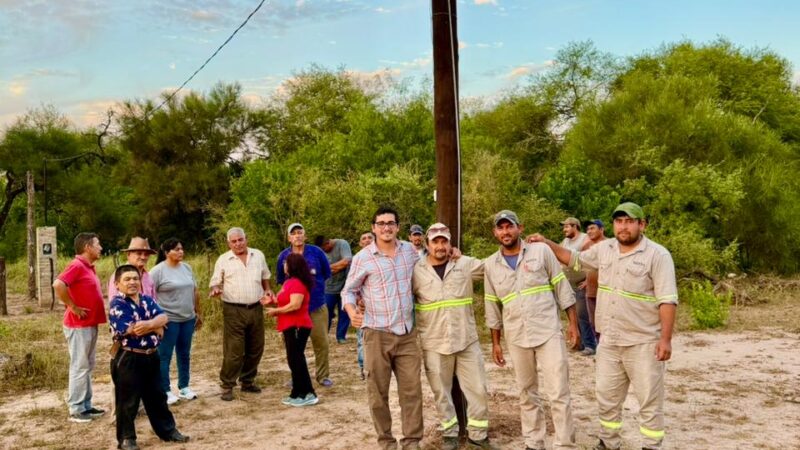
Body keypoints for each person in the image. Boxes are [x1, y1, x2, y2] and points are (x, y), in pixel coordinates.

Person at [530, 203, 678, 450]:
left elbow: (667, 300)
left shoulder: (657, 255)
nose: (623, 227)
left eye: (629, 221)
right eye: (619, 221)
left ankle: (651, 445)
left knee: (649, 401)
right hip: (608, 340)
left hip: (642, 342)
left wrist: (665, 339)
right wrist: (547, 243)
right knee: (607, 397)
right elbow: (574, 260)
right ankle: (609, 443)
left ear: (642, 224)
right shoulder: (604, 249)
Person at [484, 210, 579, 450]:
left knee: (558, 391)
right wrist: (496, 343)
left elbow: (561, 286)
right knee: (526, 392)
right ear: (495, 232)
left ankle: (564, 444)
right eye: (501, 228)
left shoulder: (541, 251)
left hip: (548, 332)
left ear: (520, 228)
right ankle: (534, 442)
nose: (506, 232)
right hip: (517, 335)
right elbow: (492, 305)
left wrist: (573, 325)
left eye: (510, 226)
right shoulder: (491, 265)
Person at [343, 207, 424, 450]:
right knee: (378, 394)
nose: (386, 227)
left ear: (398, 227)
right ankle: (386, 442)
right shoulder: (363, 258)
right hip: (376, 334)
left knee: (412, 392)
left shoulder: (410, 251)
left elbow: (431, 262)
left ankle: (412, 442)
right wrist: (352, 313)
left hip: (406, 334)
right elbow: (348, 291)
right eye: (381, 223)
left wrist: (452, 251)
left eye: (390, 223)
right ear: (373, 228)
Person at [412, 223, 495, 450]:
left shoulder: (464, 264)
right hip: (434, 342)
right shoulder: (416, 270)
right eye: (435, 242)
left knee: (478, 390)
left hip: (466, 340)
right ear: (427, 244)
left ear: (450, 243)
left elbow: (495, 266)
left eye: (444, 241)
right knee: (441, 393)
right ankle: (450, 435)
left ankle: (478, 437)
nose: (440, 246)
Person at [109, 264, 189, 450]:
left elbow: (164, 318)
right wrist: (155, 326)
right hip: (129, 357)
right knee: (127, 401)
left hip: (151, 355)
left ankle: (168, 431)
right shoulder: (117, 304)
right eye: (127, 279)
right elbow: (132, 329)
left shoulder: (147, 299)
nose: (132, 282)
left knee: (157, 396)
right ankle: (127, 439)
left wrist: (151, 324)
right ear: (117, 284)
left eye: (135, 278)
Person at [209, 227, 275, 401]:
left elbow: (265, 276)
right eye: (234, 241)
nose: (238, 244)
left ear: (246, 239)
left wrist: (268, 290)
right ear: (228, 243)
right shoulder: (223, 259)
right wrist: (215, 289)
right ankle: (227, 385)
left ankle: (247, 381)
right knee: (234, 350)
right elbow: (215, 282)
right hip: (233, 310)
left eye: (240, 240)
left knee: (256, 347)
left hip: (256, 307)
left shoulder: (258, 255)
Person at [53, 232, 108, 423]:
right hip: (78, 325)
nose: (101, 248)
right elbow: (58, 284)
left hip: (89, 324)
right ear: (87, 247)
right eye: (98, 244)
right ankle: (76, 409)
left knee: (87, 366)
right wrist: (73, 306)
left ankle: (85, 405)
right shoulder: (77, 265)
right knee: (80, 366)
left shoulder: (88, 267)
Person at [277, 223, 333, 387]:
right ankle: (297, 376)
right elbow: (281, 280)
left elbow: (326, 273)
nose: (297, 235)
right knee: (293, 346)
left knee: (321, 342)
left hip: (316, 306)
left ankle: (322, 376)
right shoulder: (283, 256)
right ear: (289, 238)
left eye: (300, 232)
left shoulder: (317, 252)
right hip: (293, 309)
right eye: (294, 233)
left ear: (305, 235)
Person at [150, 238, 203, 404]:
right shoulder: (157, 271)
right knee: (164, 356)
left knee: (184, 353)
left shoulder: (187, 268)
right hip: (169, 320)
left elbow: (195, 291)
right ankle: (165, 390)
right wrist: (157, 319)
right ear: (167, 252)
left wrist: (198, 312)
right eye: (176, 249)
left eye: (181, 248)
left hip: (187, 318)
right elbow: (150, 296)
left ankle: (184, 387)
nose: (181, 252)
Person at [265, 253, 319, 407]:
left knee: (296, 359)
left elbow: (295, 304)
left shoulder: (296, 283)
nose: (284, 265)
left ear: (292, 265)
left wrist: (276, 311)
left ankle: (308, 393)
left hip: (297, 325)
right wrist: (272, 301)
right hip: (289, 325)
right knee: (293, 359)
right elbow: (285, 301)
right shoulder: (288, 282)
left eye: (286, 263)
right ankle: (296, 392)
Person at [560, 217, 598, 356]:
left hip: (581, 283)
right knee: (574, 315)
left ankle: (590, 345)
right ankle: (580, 343)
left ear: (575, 226)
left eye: (566, 226)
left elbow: (594, 260)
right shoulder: (565, 241)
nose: (564, 229)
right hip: (569, 284)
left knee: (584, 315)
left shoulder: (585, 239)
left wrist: (588, 280)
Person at [314, 235, 353, 344]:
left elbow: (347, 261)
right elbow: (319, 270)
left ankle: (341, 336)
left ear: (328, 242)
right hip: (328, 287)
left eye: (324, 248)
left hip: (345, 286)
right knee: (326, 312)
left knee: (344, 312)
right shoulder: (320, 252)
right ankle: (323, 336)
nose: (323, 251)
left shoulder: (342, 244)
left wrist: (328, 268)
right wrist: (337, 267)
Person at [107, 237, 157, 301]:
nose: (143, 257)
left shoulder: (148, 277)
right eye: (139, 253)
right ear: (128, 255)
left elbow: (154, 301)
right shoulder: (119, 275)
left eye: (146, 254)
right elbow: (113, 302)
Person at [581, 219, 607, 340]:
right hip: (591, 291)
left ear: (601, 229)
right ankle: (599, 347)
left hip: (606, 291)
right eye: (587, 229)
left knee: (607, 322)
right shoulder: (586, 246)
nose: (589, 231)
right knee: (593, 322)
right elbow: (581, 264)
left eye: (592, 228)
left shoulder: (610, 245)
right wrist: (586, 280)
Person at [355, 231, 375, 380]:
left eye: (370, 237)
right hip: (362, 306)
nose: (367, 240)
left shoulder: (383, 257)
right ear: (360, 243)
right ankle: (363, 367)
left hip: (378, 307)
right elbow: (350, 286)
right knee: (362, 339)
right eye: (364, 238)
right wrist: (358, 301)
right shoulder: (357, 260)